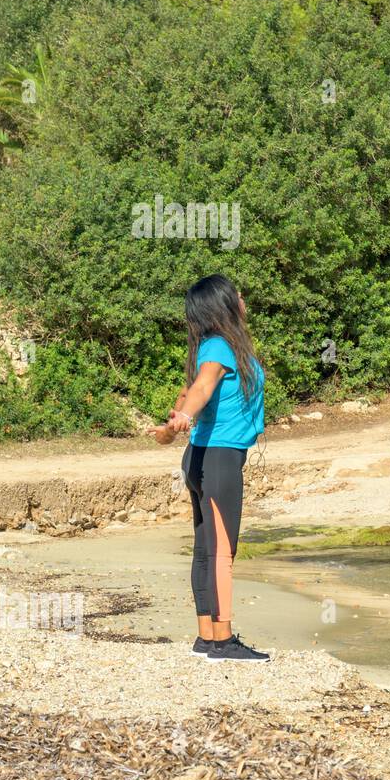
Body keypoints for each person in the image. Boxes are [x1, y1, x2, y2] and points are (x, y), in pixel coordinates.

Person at [153, 274, 268, 662]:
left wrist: (174, 424)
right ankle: (222, 641)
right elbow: (199, 390)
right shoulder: (220, 347)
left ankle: (206, 637)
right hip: (218, 459)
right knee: (221, 551)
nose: (241, 296)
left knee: (205, 549)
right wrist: (184, 414)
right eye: (236, 292)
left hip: (201, 457)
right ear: (222, 304)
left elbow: (189, 393)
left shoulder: (210, 347)